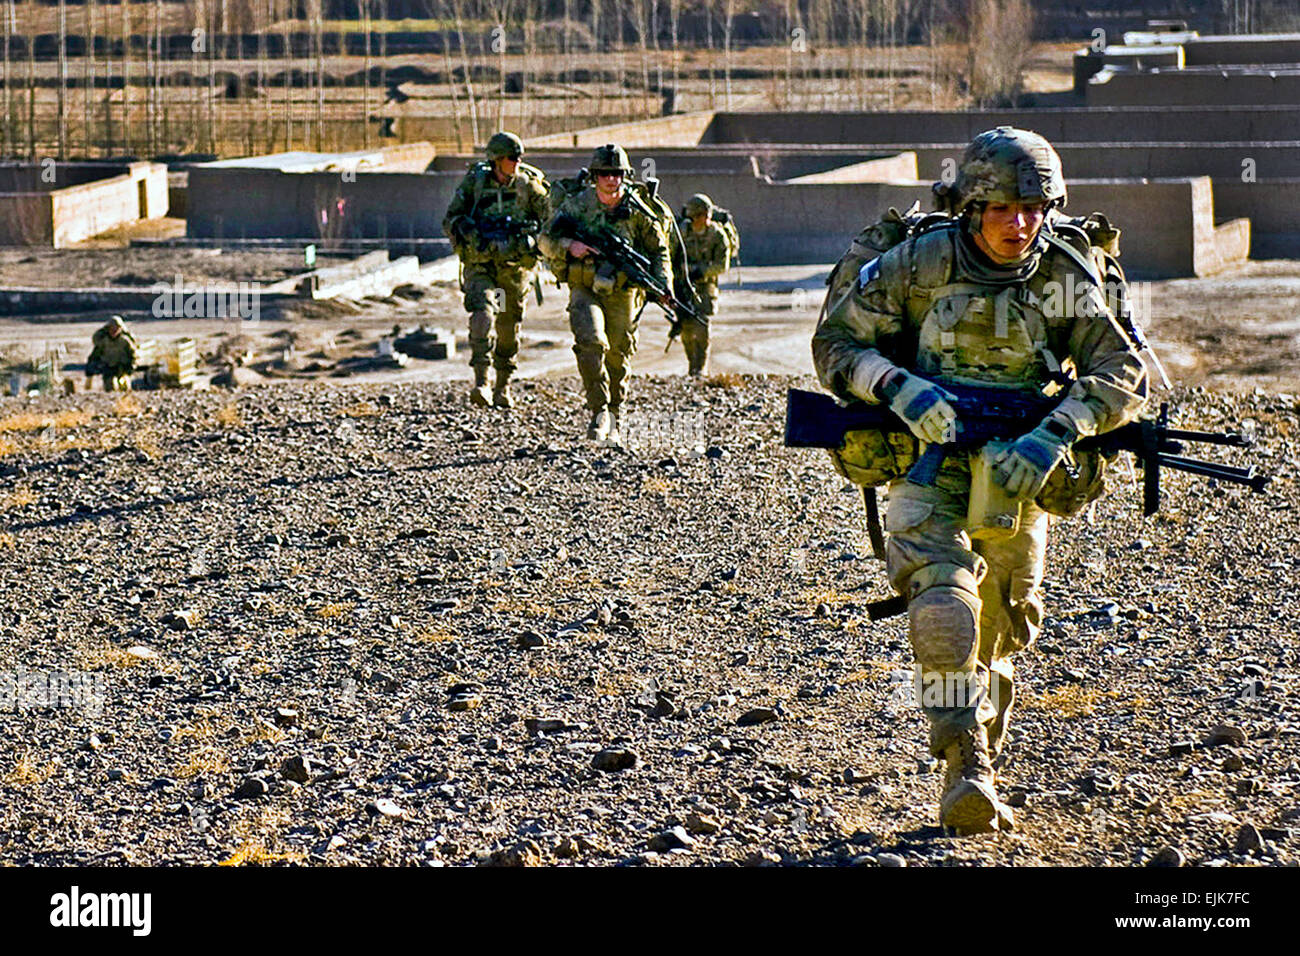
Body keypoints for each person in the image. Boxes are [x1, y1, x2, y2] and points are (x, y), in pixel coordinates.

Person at [811, 127, 1149, 834]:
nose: (1018, 225)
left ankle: (980, 753)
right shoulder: (918, 265)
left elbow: (1123, 373)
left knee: (1001, 629)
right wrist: (896, 385)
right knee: (942, 605)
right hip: (925, 462)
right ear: (970, 208)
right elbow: (837, 343)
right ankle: (963, 761)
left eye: (1034, 209)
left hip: (1017, 468)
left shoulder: (1061, 277)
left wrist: (1054, 433)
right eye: (1001, 209)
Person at [538, 143, 673, 445]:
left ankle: (617, 411)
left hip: (623, 291)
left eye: (617, 174)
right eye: (605, 174)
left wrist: (664, 285)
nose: (612, 180)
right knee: (590, 342)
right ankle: (598, 414)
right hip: (584, 287)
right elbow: (544, 239)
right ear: (595, 176)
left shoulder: (638, 210)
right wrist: (568, 246)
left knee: (618, 354)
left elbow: (659, 250)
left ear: (625, 176)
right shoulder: (577, 205)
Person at [442, 131, 551, 408]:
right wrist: (465, 228)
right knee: (482, 316)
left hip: (514, 269)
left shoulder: (528, 186)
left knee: (507, 328)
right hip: (481, 265)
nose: (517, 163)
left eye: (519, 158)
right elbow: (450, 219)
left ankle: (503, 386)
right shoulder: (474, 185)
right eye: (511, 158)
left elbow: (552, 220)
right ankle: (482, 382)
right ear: (496, 160)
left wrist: (531, 240)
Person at [678, 193, 731, 377]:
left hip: (705, 285)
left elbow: (722, 265)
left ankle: (700, 367)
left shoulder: (717, 236)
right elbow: (670, 256)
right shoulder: (682, 233)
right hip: (683, 285)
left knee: (702, 325)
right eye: (700, 215)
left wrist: (700, 271)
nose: (704, 219)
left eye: (706, 214)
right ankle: (692, 365)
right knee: (684, 328)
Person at [86, 315, 137, 392]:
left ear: (120, 329)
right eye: (112, 328)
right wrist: (91, 368)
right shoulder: (104, 341)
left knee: (124, 388)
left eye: (116, 328)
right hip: (109, 369)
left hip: (122, 369)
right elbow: (95, 355)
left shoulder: (125, 341)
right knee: (110, 387)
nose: (114, 330)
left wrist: (131, 367)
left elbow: (134, 355)